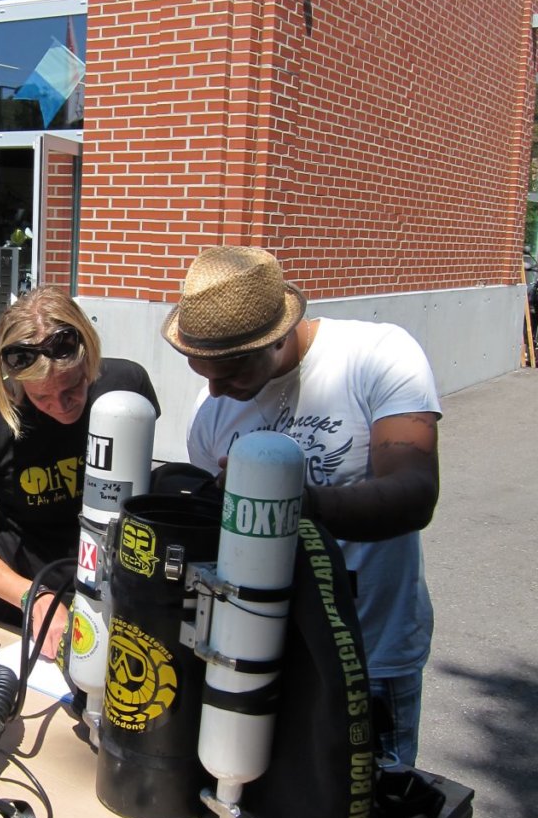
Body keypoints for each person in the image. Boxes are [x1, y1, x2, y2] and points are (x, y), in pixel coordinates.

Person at [162, 245, 440, 768]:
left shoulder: (375, 356)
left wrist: (287, 503)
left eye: (233, 369)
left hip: (369, 651)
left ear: (279, 334)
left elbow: (414, 494)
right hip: (261, 653)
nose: (216, 388)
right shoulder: (211, 410)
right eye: (203, 370)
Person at [0, 286, 160, 657]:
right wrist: (33, 597)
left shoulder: (127, 389)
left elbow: (140, 495)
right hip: (25, 603)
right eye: (41, 397)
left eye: (73, 387)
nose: (61, 405)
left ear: (89, 355)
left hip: (117, 597)